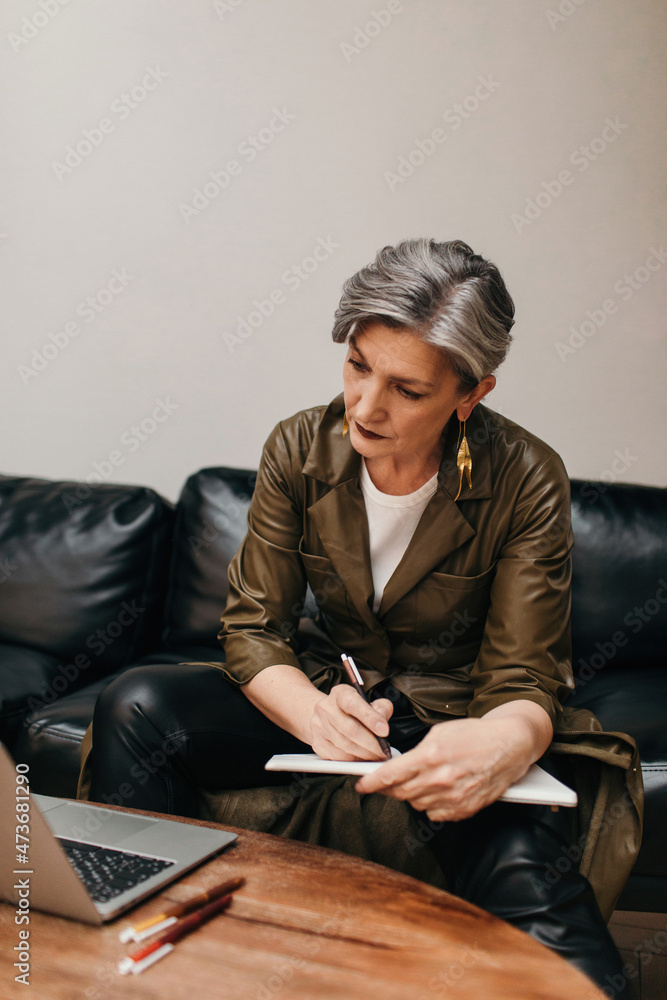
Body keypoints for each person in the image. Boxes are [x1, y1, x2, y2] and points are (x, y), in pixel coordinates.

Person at [85, 239, 640, 995]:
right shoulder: (297, 446)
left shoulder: (525, 474)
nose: (366, 406)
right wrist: (313, 711)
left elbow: (522, 673)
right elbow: (254, 630)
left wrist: (501, 743)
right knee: (138, 702)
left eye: (407, 390)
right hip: (332, 696)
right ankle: (127, 950)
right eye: (357, 366)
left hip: (456, 718)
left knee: (525, 870)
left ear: (470, 395)